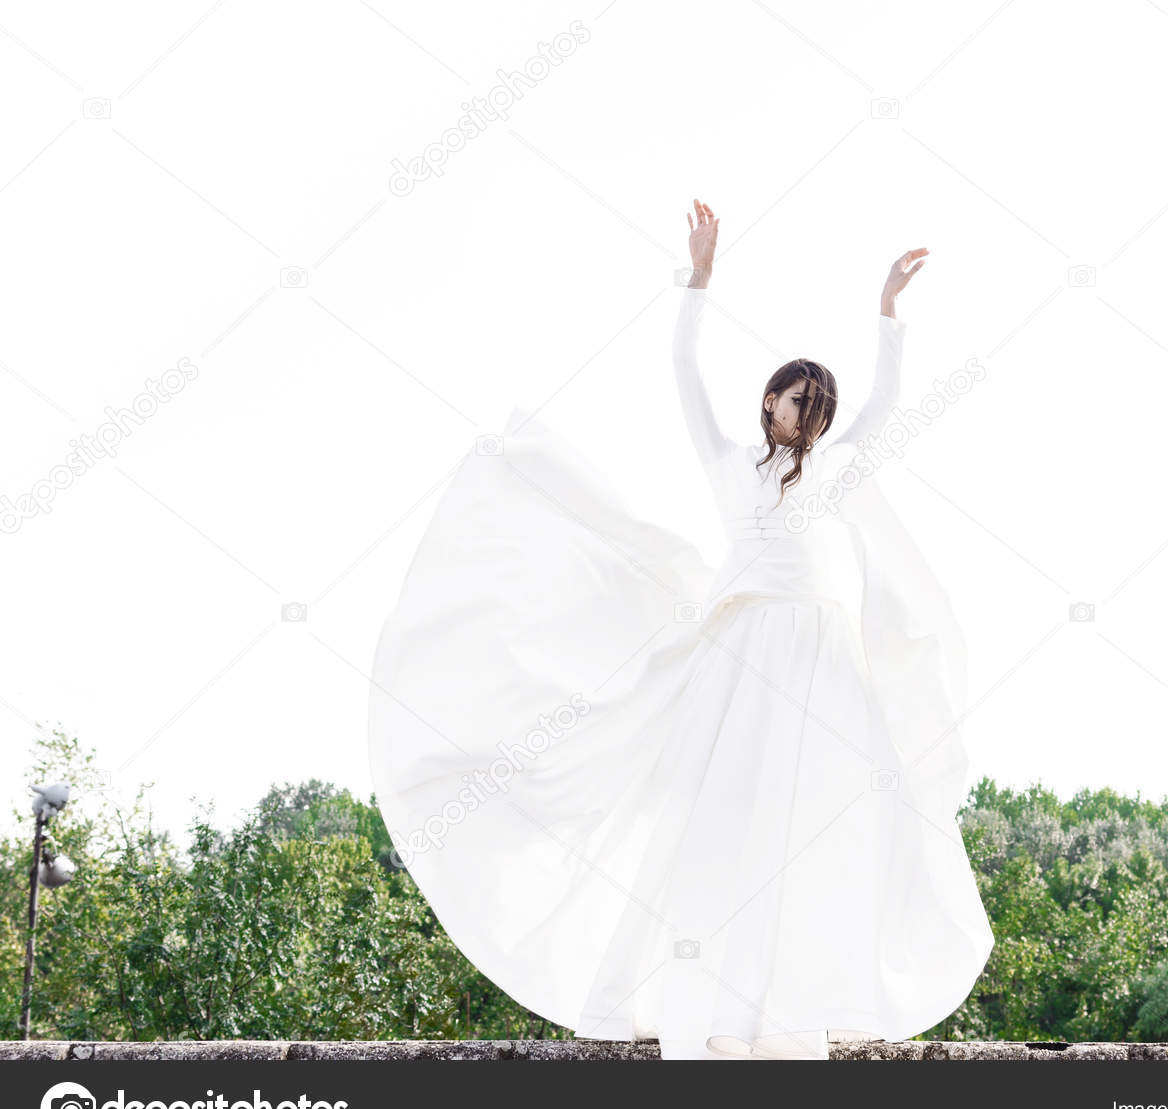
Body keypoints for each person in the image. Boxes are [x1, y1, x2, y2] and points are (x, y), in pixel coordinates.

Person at [367, 199, 994, 1060]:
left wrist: (887, 312)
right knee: (718, 815)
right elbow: (683, 370)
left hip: (824, 661)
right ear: (770, 401)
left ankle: (789, 1010)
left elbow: (886, 400)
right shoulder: (731, 465)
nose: (807, 410)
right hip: (744, 649)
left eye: (820, 402)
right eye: (796, 395)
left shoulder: (842, 472)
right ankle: (691, 995)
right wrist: (698, 281)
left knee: (813, 826)